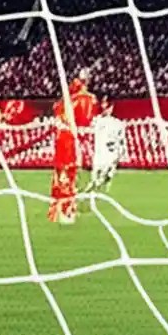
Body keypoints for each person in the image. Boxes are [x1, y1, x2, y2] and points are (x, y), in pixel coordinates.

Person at [49, 70, 98, 224]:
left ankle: (59, 209)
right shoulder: (84, 99)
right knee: (68, 177)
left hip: (61, 141)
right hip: (69, 141)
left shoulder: (64, 102)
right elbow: (86, 118)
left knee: (61, 175)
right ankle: (66, 211)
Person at [83, 96, 125, 195]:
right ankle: (94, 187)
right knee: (96, 174)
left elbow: (121, 140)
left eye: (107, 106)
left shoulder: (117, 123)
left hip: (110, 153)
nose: (105, 108)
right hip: (99, 153)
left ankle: (102, 188)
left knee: (105, 174)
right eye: (103, 105)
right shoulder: (97, 120)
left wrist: (119, 152)